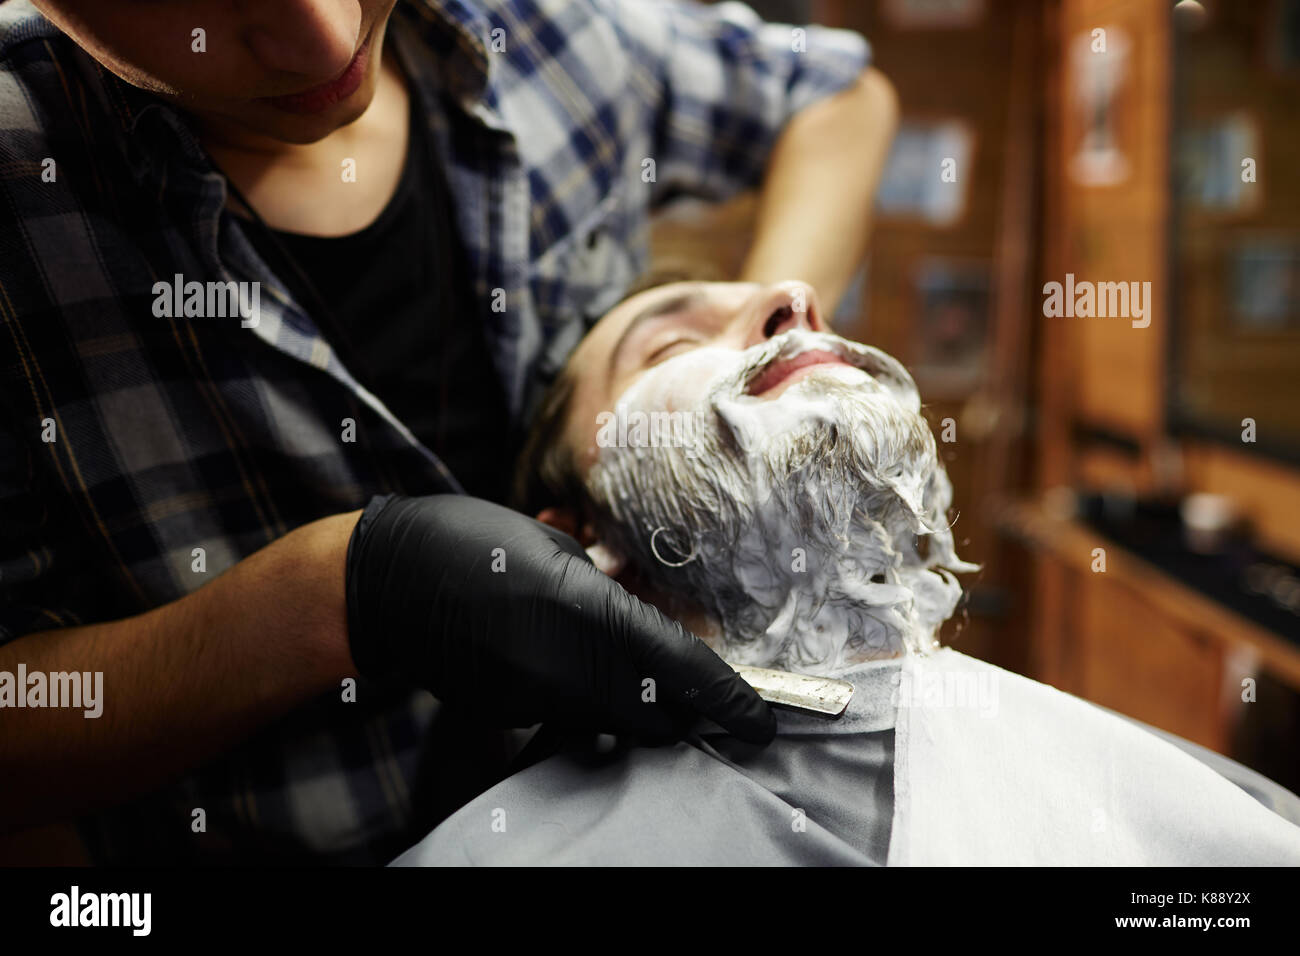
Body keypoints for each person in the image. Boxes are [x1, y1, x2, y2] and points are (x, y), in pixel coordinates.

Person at [0, 0, 899, 864]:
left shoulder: (543, 28)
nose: (325, 37)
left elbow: (841, 95)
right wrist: (342, 598)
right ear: (583, 542)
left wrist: (759, 362)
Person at [392, 276, 1300, 865]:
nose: (796, 297)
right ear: (587, 545)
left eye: (807, 314)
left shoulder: (1199, 799)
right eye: (670, 346)